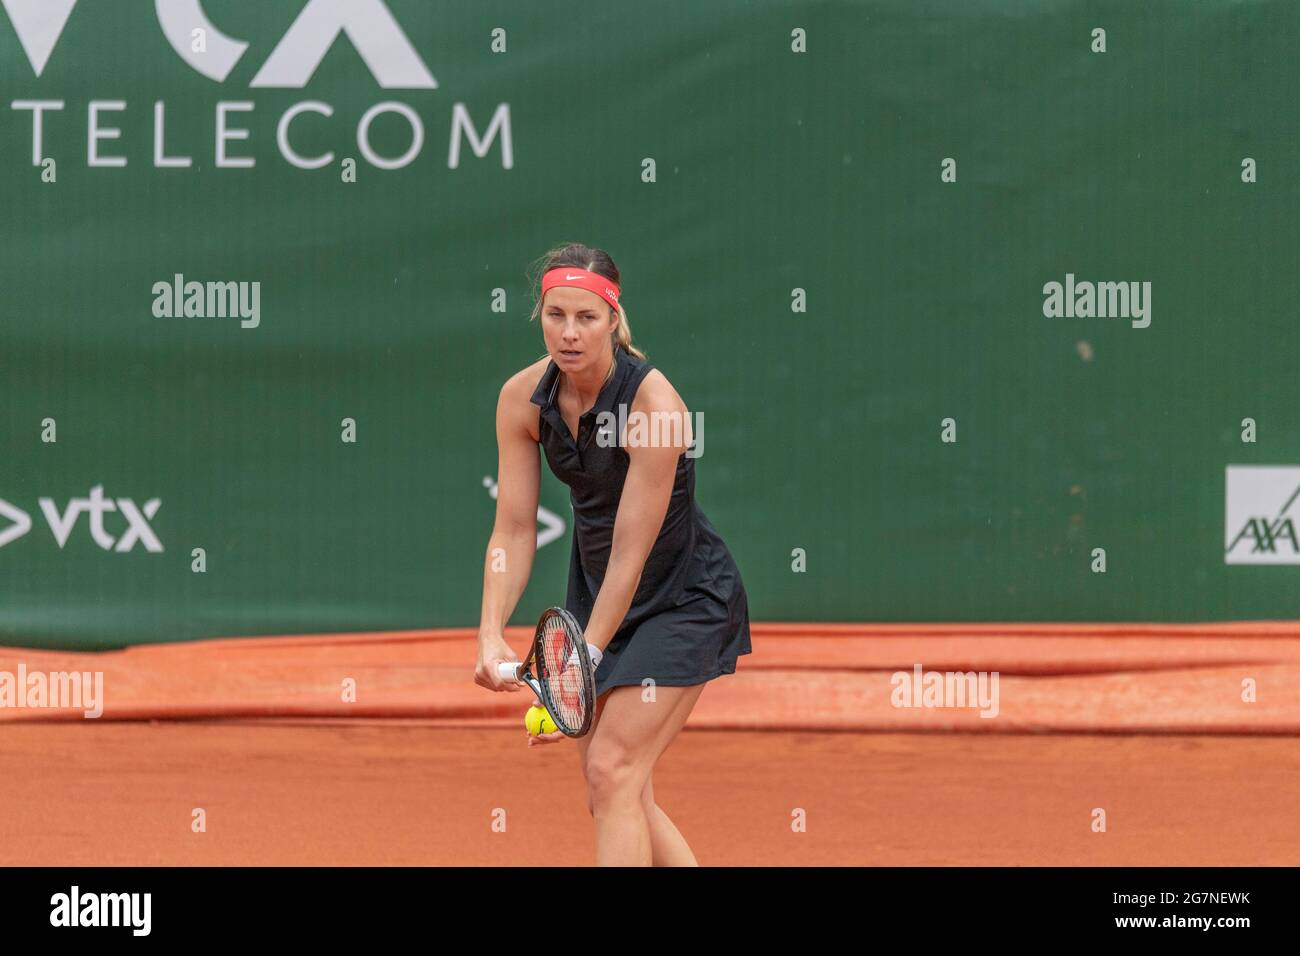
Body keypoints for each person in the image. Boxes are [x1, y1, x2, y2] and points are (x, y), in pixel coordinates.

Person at [474, 242, 751, 866]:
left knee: (612, 769)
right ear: (540, 315)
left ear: (613, 319)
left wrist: (583, 655)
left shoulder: (656, 409)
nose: (569, 334)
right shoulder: (522, 399)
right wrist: (489, 632)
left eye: (587, 318)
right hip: (597, 599)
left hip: (683, 599)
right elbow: (514, 530)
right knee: (619, 789)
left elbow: (632, 549)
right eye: (555, 316)